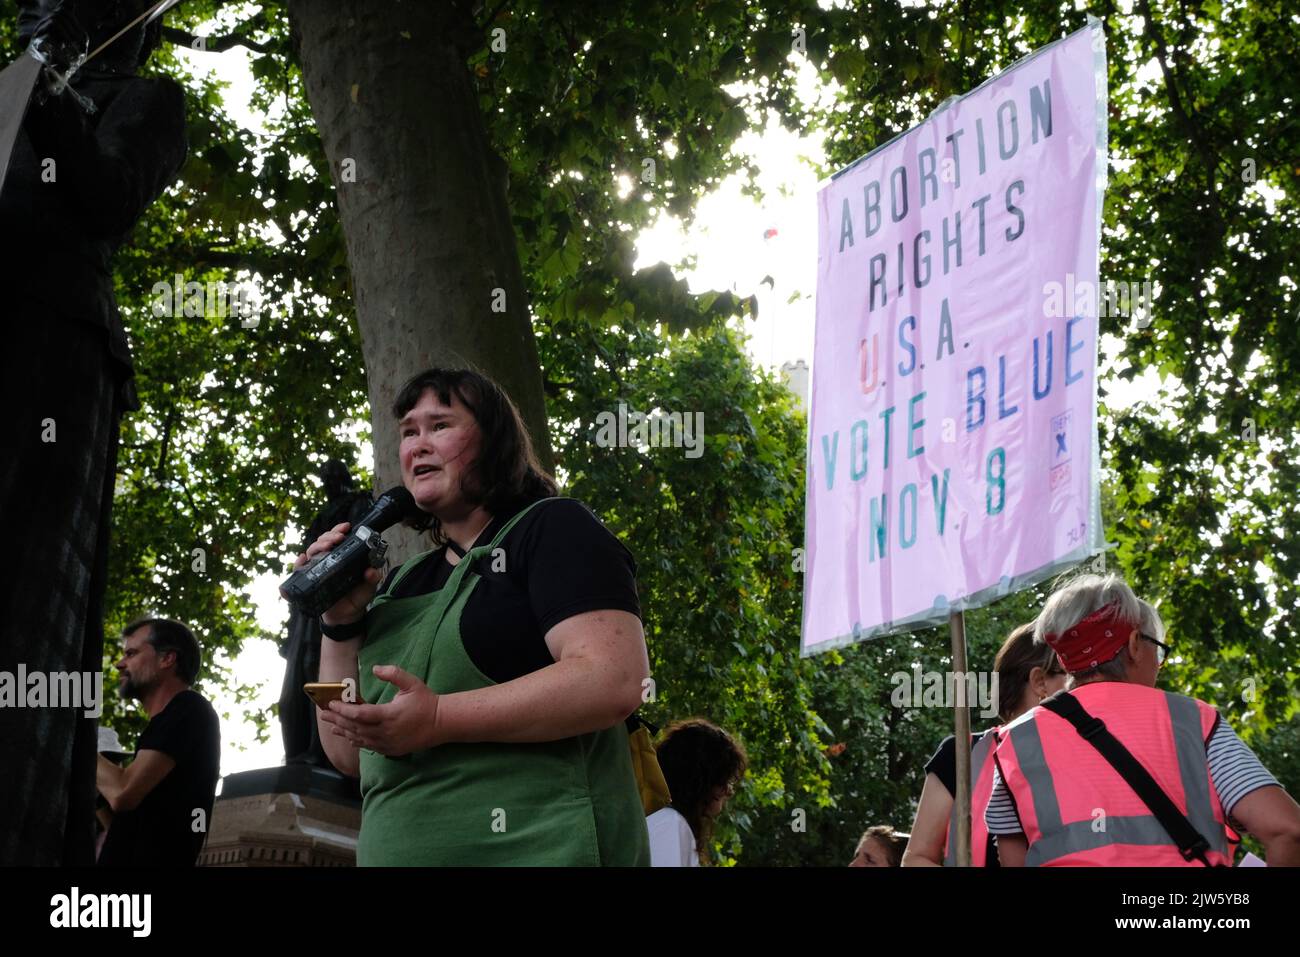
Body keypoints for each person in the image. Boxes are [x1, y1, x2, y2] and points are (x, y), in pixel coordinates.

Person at [301, 368, 651, 865]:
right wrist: (339, 622)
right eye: (408, 432)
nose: (418, 445)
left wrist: (440, 718)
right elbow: (350, 755)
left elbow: (614, 680)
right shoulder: (399, 582)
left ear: (495, 443)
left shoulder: (553, 528)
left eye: (440, 425)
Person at [0, 0, 187, 865]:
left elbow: (109, 198)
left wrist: (46, 90)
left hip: (54, 352)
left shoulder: (148, 96)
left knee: (26, 595)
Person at [987, 573, 1300, 866]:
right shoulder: (1194, 720)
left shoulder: (1017, 740)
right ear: (1135, 645)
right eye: (1159, 650)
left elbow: (1013, 859)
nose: (1159, 664)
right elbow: (1287, 829)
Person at [902, 623, 1068, 866]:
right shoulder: (959, 755)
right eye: (1071, 674)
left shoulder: (1083, 757)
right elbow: (917, 858)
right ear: (1040, 682)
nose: (1081, 687)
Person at [96, 618, 221, 867]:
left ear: (167, 659)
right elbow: (128, 824)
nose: (120, 664)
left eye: (131, 653)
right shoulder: (167, 723)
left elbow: (122, 794)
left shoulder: (189, 708)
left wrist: (76, 733)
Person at [647, 718, 747, 866]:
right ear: (701, 781)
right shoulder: (669, 824)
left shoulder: (666, 821)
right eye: (725, 780)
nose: (729, 791)